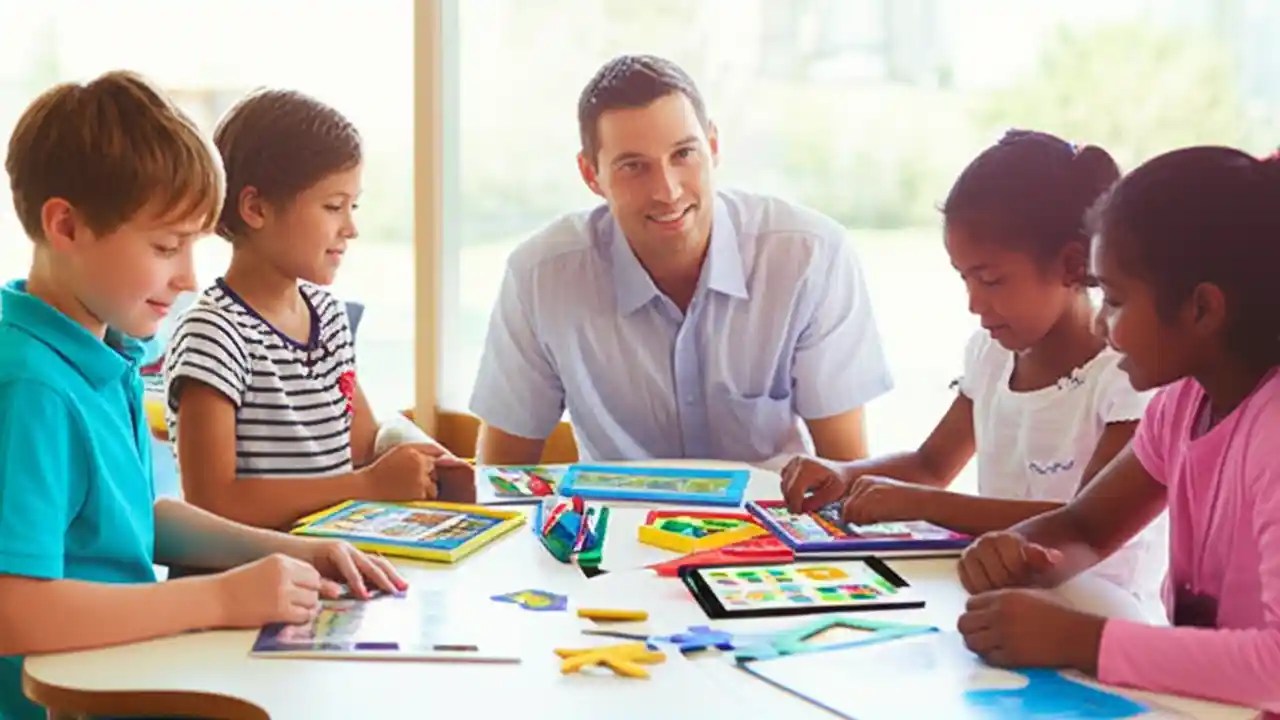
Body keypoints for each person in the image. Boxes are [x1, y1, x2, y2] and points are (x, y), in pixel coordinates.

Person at [0, 71, 404, 720]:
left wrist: (290, 549)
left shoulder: (103, 351)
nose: (188, 276)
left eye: (193, 244)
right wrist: (219, 599)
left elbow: (131, 516)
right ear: (66, 226)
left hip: (124, 679)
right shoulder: (31, 387)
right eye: (166, 246)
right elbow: (14, 613)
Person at [955, 146, 1280, 712]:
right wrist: (1018, 550)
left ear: (1203, 309)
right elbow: (1085, 525)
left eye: (1115, 299)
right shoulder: (1180, 404)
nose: (1102, 326)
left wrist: (1083, 641)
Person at [781, 131, 1159, 597]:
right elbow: (930, 464)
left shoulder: (1126, 377)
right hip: (1010, 593)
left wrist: (924, 504)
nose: (974, 304)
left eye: (992, 280)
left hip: (1102, 605)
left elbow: (1080, 522)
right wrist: (845, 475)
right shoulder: (991, 355)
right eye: (965, 279)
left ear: (1071, 264)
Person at [470, 54, 892, 465]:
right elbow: (500, 479)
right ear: (591, 175)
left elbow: (847, 473)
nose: (667, 191)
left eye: (683, 154)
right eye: (633, 166)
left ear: (713, 146)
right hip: (614, 514)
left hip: (776, 512)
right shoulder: (539, 278)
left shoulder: (810, 258)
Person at [165, 88, 473, 530]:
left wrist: (426, 464)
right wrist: (366, 486)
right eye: (333, 207)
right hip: (252, 568)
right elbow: (212, 501)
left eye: (353, 206)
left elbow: (363, 448)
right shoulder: (213, 334)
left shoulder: (328, 318)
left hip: (330, 559)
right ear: (255, 208)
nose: (350, 228)